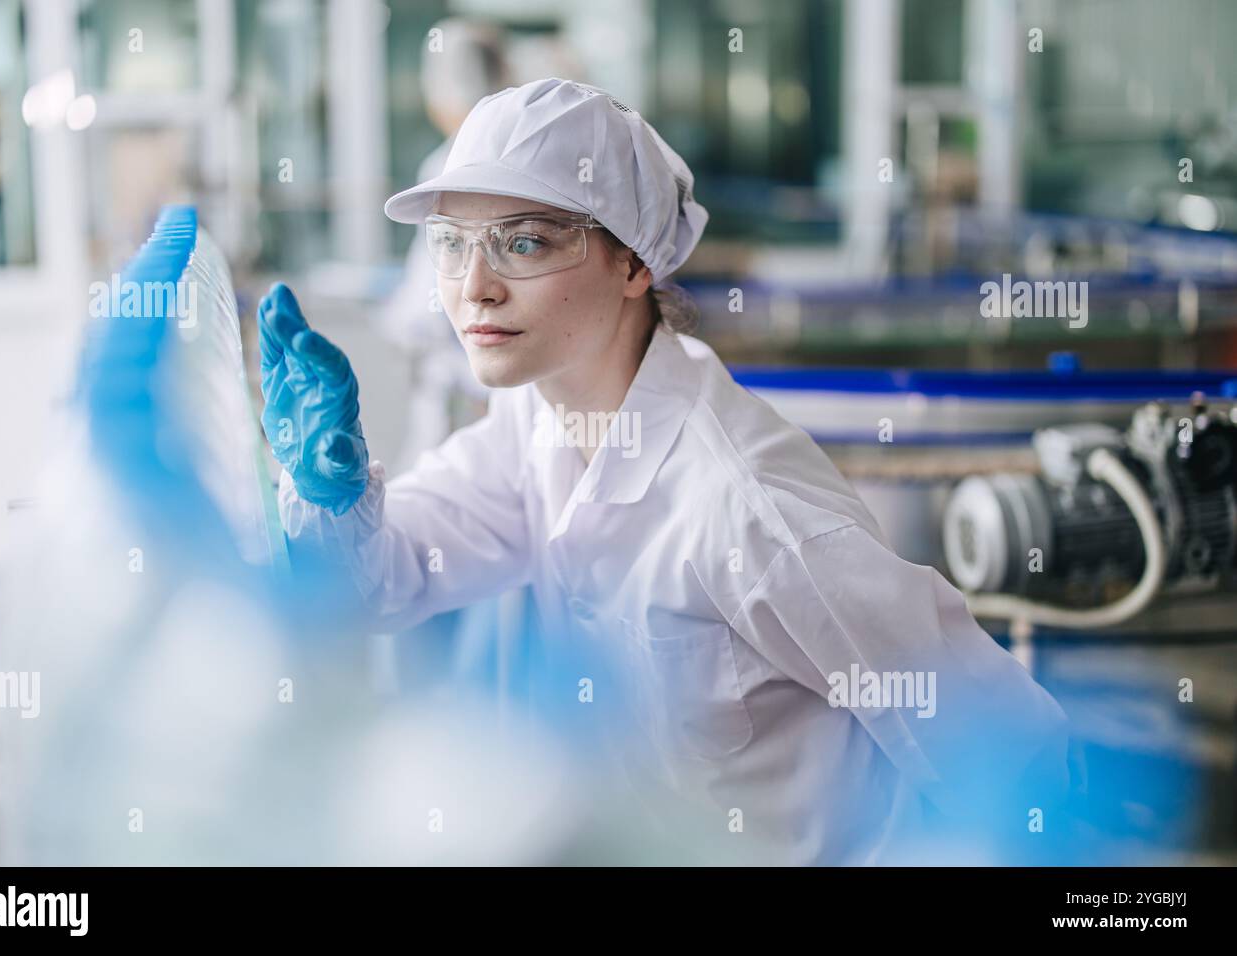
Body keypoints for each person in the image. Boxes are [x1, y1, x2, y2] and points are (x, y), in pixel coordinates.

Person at [258, 77, 1070, 864]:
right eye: (451, 244)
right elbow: (381, 583)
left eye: (526, 242)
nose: (474, 288)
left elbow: (1007, 753)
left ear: (634, 265)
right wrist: (330, 495)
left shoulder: (748, 512)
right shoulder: (534, 425)